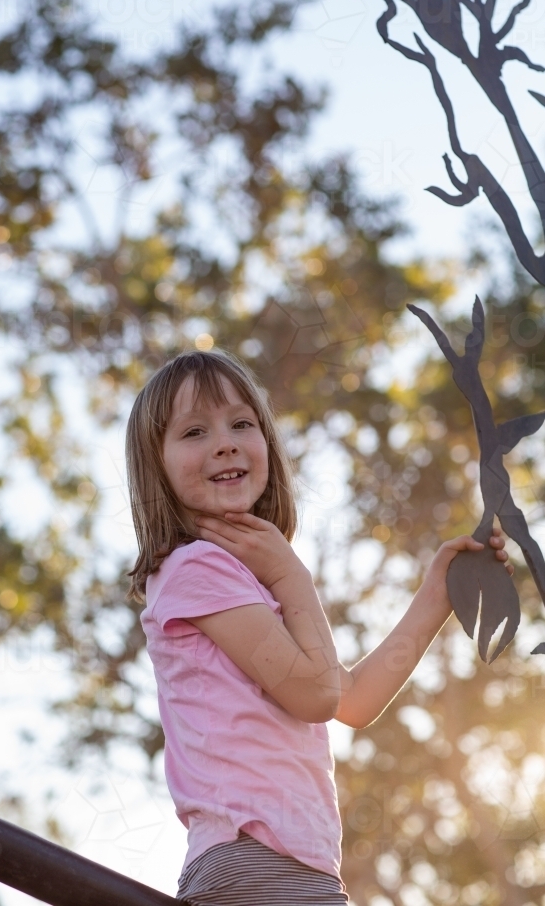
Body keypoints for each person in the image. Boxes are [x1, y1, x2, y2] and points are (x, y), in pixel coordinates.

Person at [126, 350, 512, 906]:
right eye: (194, 431)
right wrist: (289, 572)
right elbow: (316, 693)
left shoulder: (242, 583)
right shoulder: (195, 569)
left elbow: (349, 700)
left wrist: (438, 594)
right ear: (155, 465)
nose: (226, 442)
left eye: (242, 423)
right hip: (254, 863)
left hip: (291, 869)